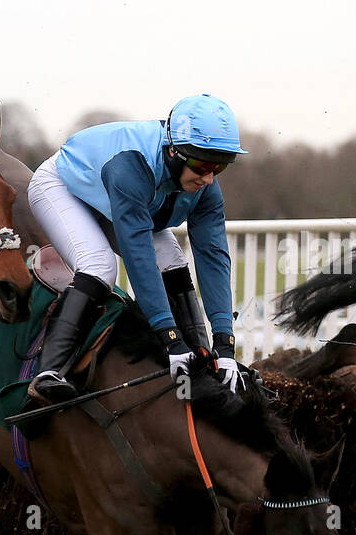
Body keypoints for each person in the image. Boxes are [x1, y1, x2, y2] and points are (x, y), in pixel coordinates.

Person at [25, 94, 248, 403]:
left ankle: (198, 361)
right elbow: (138, 256)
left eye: (220, 167)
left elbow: (213, 259)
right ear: (174, 153)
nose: (209, 178)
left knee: (172, 261)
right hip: (62, 186)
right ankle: (48, 372)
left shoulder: (205, 187)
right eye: (203, 165)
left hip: (112, 196)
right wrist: (169, 337)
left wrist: (224, 344)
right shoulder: (131, 168)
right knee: (99, 265)